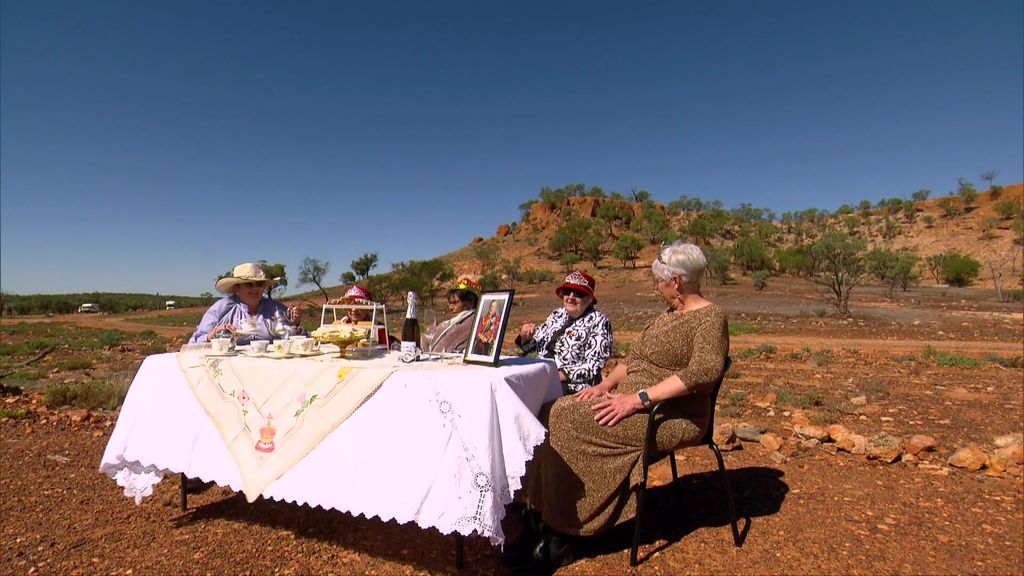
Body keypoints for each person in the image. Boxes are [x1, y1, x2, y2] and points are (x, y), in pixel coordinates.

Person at [509, 242, 729, 569]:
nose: (657, 287)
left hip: (671, 413)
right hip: (631, 399)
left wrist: (638, 399)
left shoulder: (709, 317)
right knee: (550, 413)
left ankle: (566, 533)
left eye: (660, 281)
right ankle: (542, 512)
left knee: (574, 428)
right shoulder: (669, 315)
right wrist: (605, 385)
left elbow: (703, 372)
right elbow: (635, 361)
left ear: (677, 282)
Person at [515, 271, 612, 393]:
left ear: (589, 299)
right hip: (541, 375)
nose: (571, 297)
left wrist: (556, 376)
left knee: (525, 393)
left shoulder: (599, 321)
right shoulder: (558, 314)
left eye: (578, 294)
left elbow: (594, 366)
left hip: (572, 386)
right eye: (567, 292)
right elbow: (533, 345)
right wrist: (526, 337)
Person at [188, 262, 302, 345]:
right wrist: (213, 334)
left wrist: (295, 324)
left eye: (259, 284)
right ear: (237, 288)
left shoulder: (276, 309)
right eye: (248, 284)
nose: (255, 289)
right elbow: (194, 342)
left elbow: (297, 340)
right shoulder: (221, 309)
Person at [424, 277, 481, 354]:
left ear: (470, 303)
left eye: (455, 303)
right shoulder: (451, 323)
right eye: (450, 303)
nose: (450, 307)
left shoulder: (473, 323)